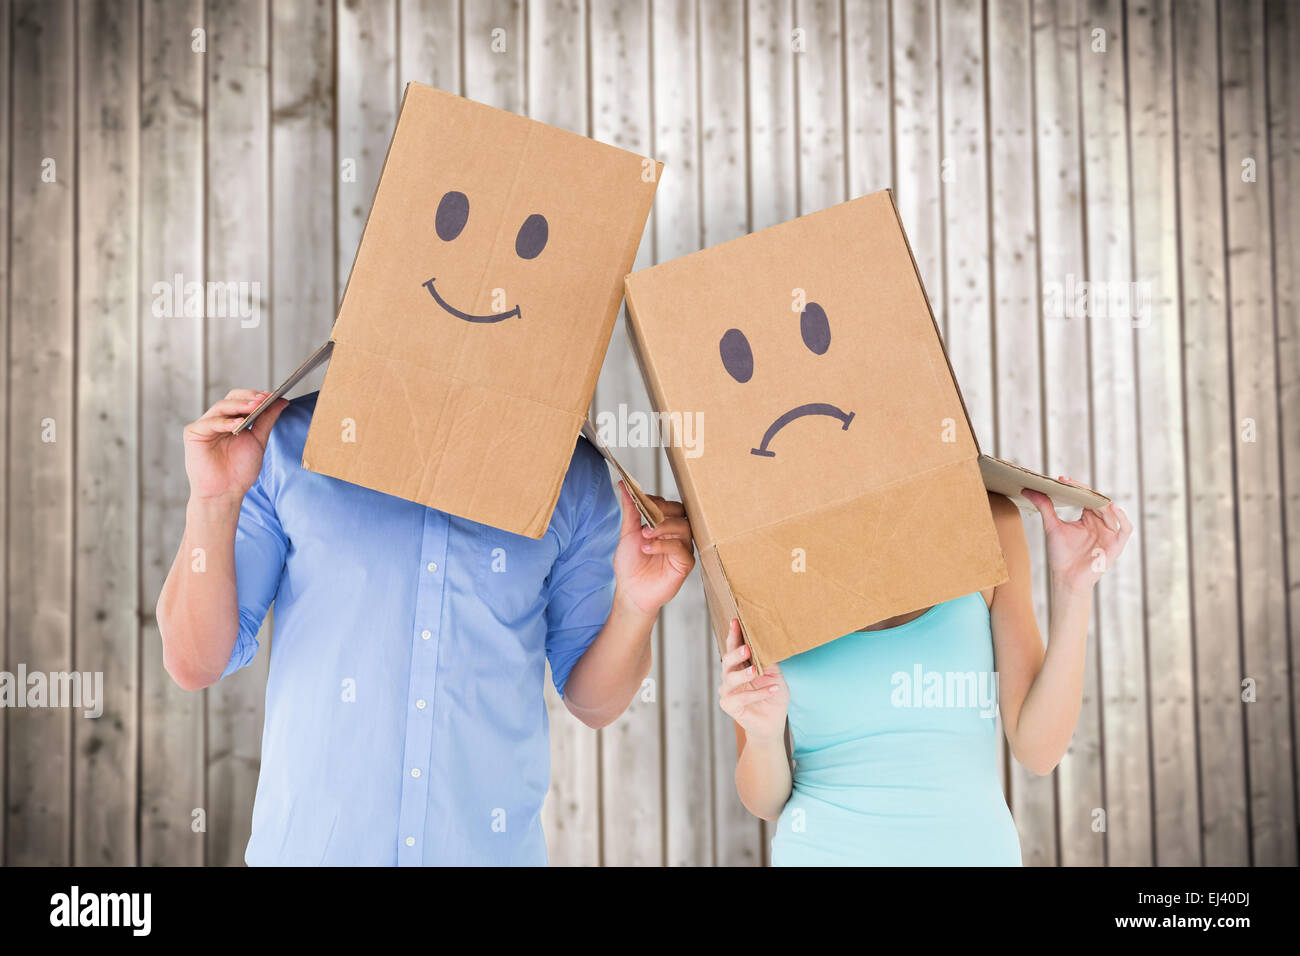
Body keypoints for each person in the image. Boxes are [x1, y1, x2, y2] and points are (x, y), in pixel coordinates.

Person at [156, 388, 694, 865]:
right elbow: (194, 661)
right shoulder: (290, 441)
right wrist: (214, 501)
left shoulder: (572, 476)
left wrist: (635, 608)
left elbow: (592, 702)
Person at [716, 486, 1132, 866]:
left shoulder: (985, 517)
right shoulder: (750, 545)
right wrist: (765, 738)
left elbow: (1039, 750)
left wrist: (1074, 588)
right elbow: (766, 802)